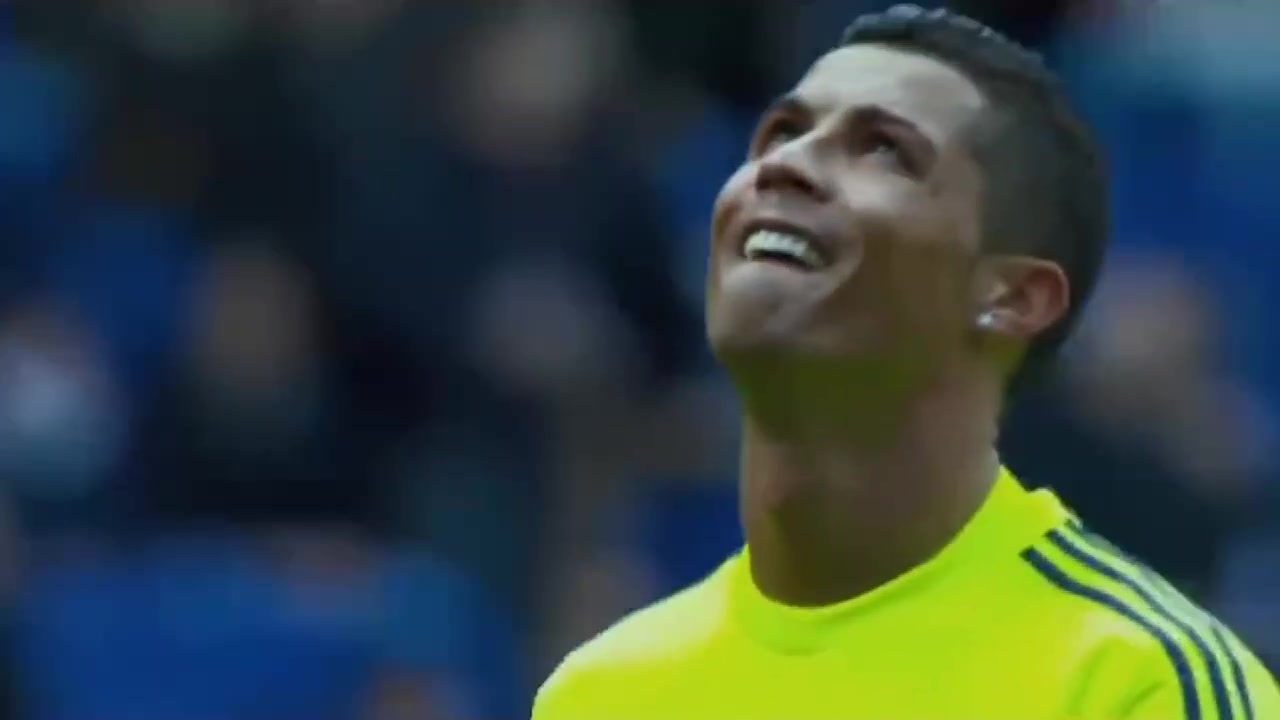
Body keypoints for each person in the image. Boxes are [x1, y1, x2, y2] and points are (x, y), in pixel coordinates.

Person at [530, 5, 1280, 720]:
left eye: (883, 150)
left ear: (1012, 297)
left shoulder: (1135, 680)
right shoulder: (599, 694)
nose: (784, 166)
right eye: (781, 133)